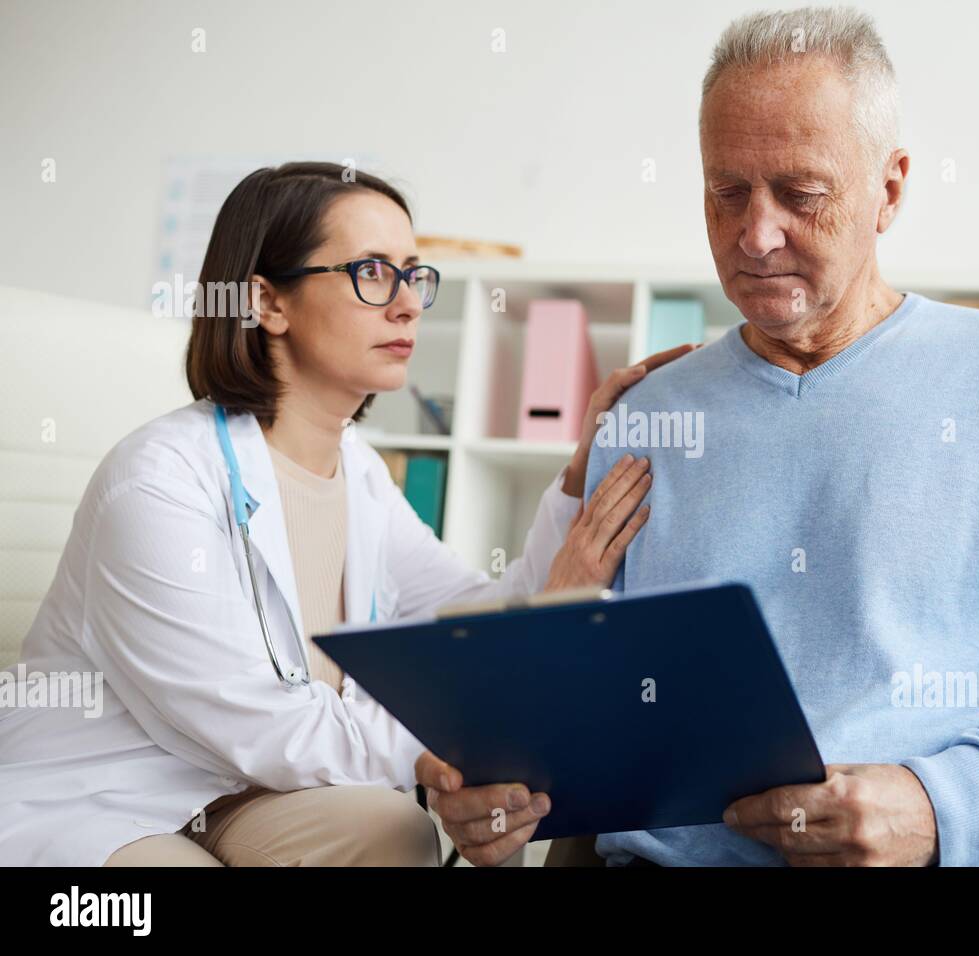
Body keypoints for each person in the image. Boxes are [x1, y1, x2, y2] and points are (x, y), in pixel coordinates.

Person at [427, 6, 979, 867]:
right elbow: (600, 725)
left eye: (801, 194)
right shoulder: (648, 416)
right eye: (727, 192)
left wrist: (944, 807)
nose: (755, 235)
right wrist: (506, 798)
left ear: (891, 187)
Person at [0, 162, 689, 866]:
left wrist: (578, 480)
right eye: (371, 272)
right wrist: (443, 754)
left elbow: (466, 617)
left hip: (249, 798)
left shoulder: (356, 469)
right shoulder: (155, 482)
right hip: (112, 800)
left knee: (396, 833)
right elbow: (274, 729)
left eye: (414, 275)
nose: (407, 305)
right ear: (267, 303)